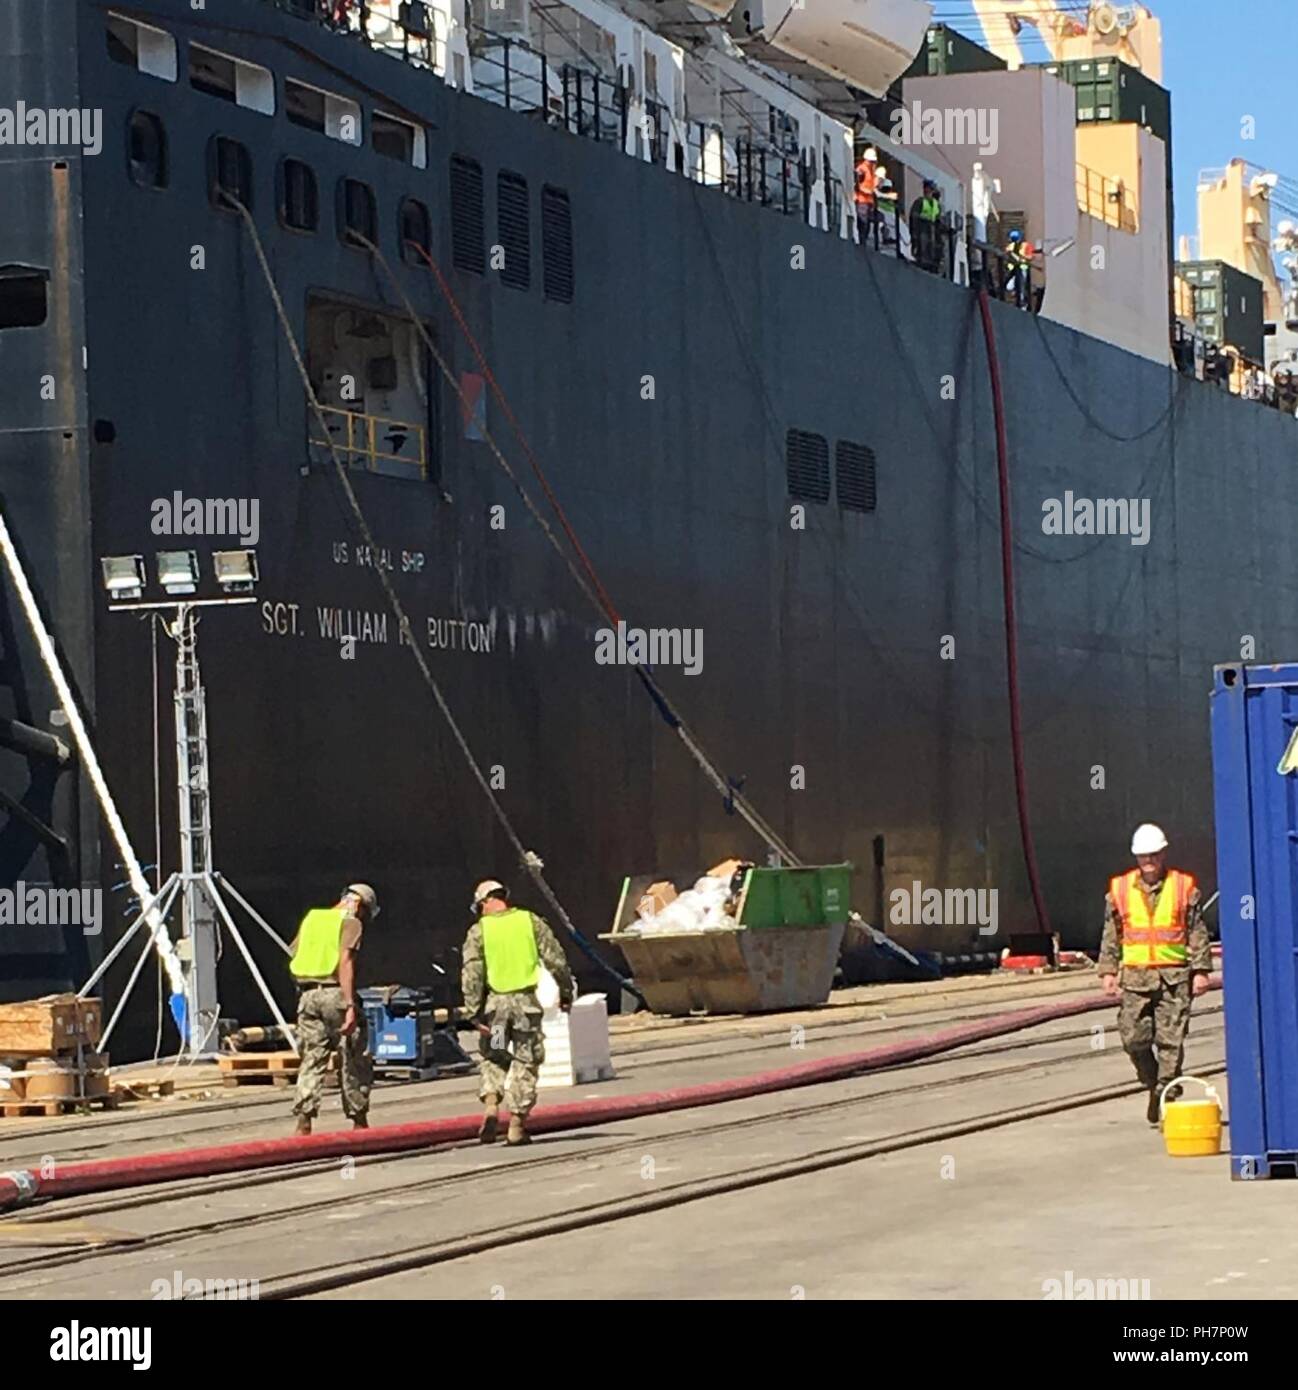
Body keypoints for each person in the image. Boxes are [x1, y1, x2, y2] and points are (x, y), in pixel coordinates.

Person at [1097, 825, 1212, 1125]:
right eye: (1143, 856)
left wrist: (1201, 970)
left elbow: (1196, 931)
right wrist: (1108, 971)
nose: (1148, 860)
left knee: (1171, 1041)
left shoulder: (1183, 887)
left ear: (1163, 854)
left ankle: (1165, 1091)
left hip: (1174, 979)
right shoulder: (1120, 890)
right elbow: (1112, 933)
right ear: (1137, 857)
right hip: (1135, 979)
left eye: (1153, 855)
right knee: (1133, 1038)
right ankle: (1154, 1084)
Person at [461, 878, 575, 1146]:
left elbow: (472, 974)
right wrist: (566, 992)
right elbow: (556, 960)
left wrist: (473, 1012)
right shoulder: (530, 921)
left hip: (497, 1011)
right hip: (525, 1010)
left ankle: (491, 1104)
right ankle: (516, 1125)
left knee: (496, 1055)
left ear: (485, 902)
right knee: (526, 1060)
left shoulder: (479, 931)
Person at [289, 883, 378, 1136]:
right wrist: (350, 1006)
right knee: (353, 1057)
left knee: (312, 1058)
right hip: (335, 994)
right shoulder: (351, 923)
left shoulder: (313, 918)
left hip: (307, 995)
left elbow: (294, 954)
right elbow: (346, 963)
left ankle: (304, 1120)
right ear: (360, 905)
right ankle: (359, 1119)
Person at [908, 178, 943, 274]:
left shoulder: (936, 205)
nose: (928, 191)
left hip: (932, 231)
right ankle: (922, 263)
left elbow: (938, 219)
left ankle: (932, 265)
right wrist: (914, 234)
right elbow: (913, 218)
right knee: (922, 249)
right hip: (922, 230)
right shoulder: (919, 202)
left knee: (932, 250)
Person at [854, 147, 879, 247]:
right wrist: (867, 192)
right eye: (871, 161)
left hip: (868, 202)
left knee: (868, 224)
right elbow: (857, 185)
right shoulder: (862, 169)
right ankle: (861, 241)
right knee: (863, 223)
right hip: (862, 201)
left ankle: (864, 241)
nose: (873, 164)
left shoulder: (870, 170)